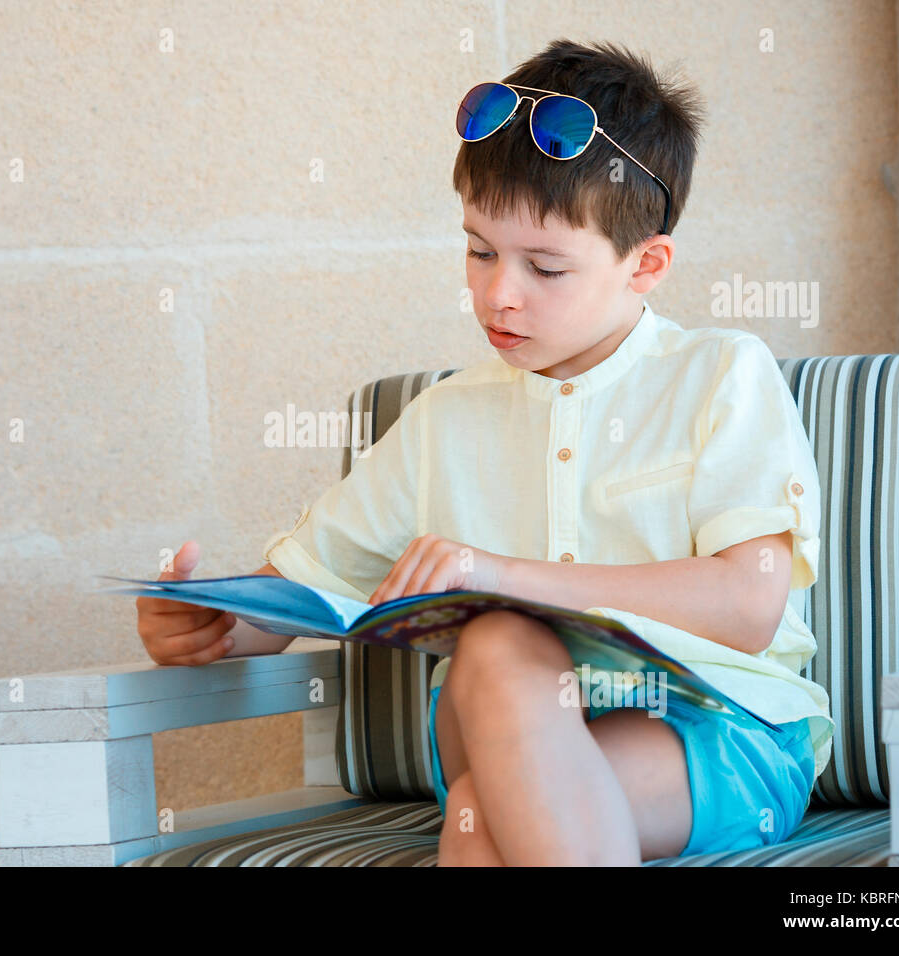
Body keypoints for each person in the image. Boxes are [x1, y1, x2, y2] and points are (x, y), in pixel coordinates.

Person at [134, 37, 834, 867]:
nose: (499, 294)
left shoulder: (721, 375)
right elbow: (296, 600)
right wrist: (208, 621)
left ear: (646, 266)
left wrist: (495, 575)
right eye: (479, 250)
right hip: (495, 723)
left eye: (545, 266)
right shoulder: (446, 422)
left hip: (712, 731)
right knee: (498, 654)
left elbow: (748, 606)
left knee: (479, 818)